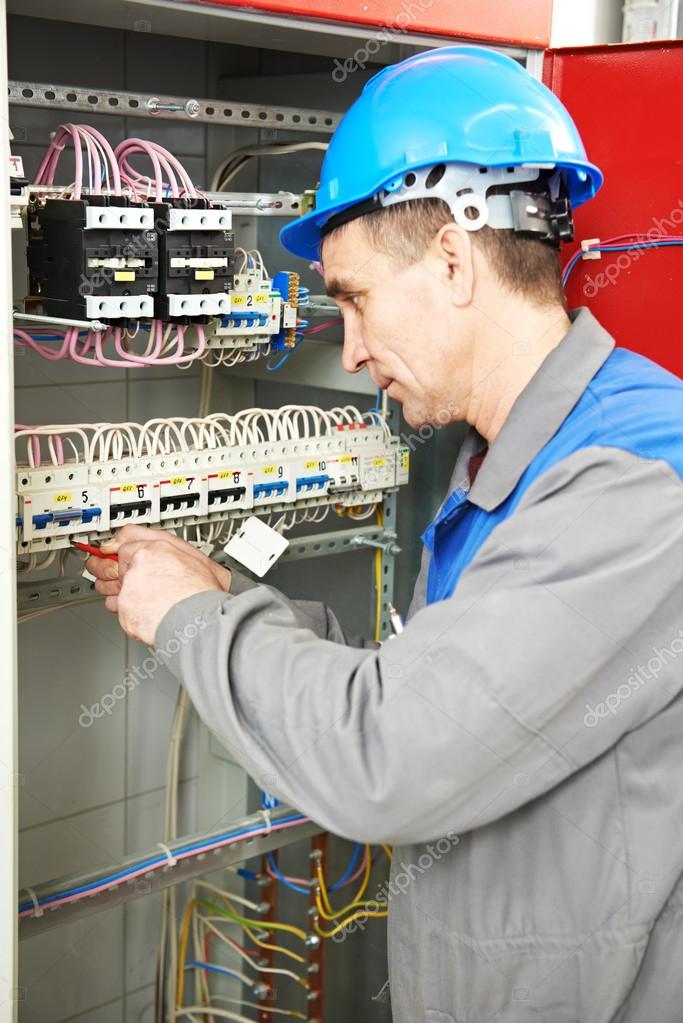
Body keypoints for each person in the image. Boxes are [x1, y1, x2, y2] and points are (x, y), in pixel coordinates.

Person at [87, 46, 683, 1023]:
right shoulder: (509, 460)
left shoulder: (632, 485)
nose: (353, 351)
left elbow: (387, 755)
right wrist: (233, 598)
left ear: (452, 259)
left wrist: (193, 621)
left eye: (354, 298)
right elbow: (442, 696)